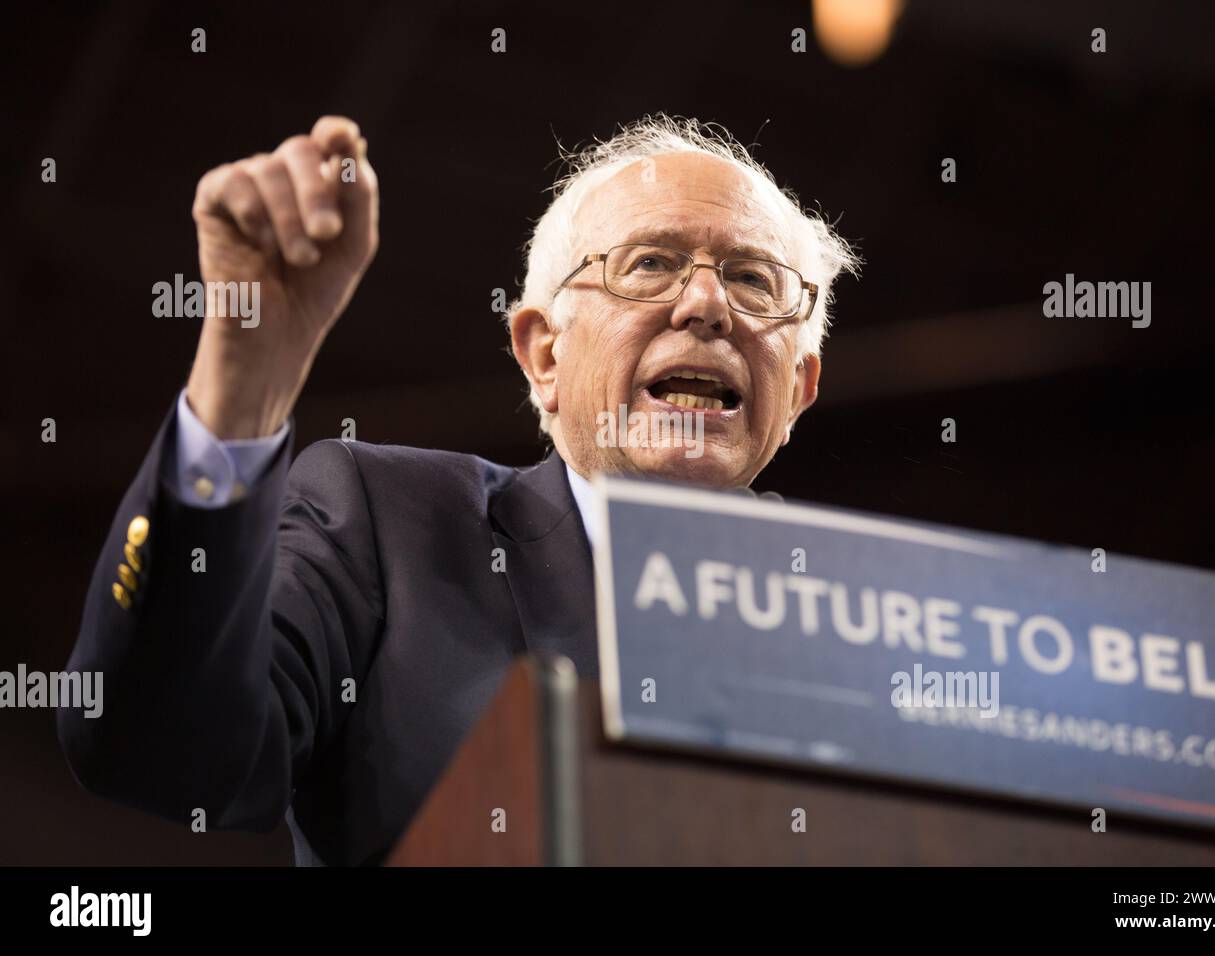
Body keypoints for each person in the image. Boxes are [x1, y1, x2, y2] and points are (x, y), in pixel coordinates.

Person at [58, 113, 861, 865]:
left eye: (755, 279)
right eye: (650, 264)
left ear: (797, 389)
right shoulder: (389, 527)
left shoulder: (866, 623)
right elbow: (166, 752)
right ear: (543, 357)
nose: (707, 304)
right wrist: (240, 390)